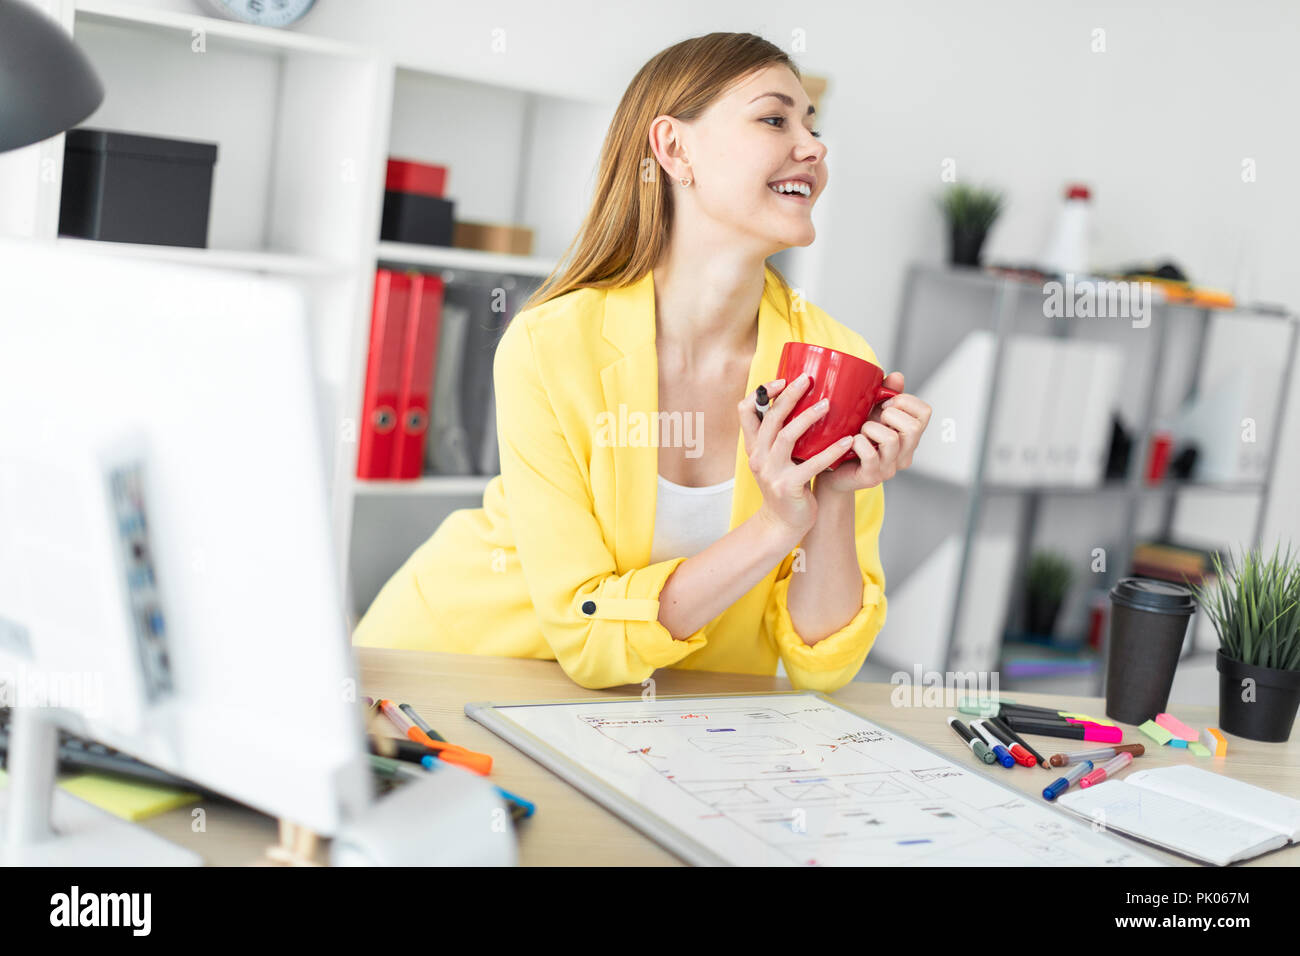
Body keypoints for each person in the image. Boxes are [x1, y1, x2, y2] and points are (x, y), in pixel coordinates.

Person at [352, 32, 932, 692]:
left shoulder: (836, 365)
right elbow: (589, 634)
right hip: (448, 676)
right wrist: (776, 526)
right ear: (674, 150)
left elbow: (822, 661)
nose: (814, 146)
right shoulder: (551, 345)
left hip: (664, 716)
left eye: (812, 124)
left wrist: (827, 499)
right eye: (775, 119)